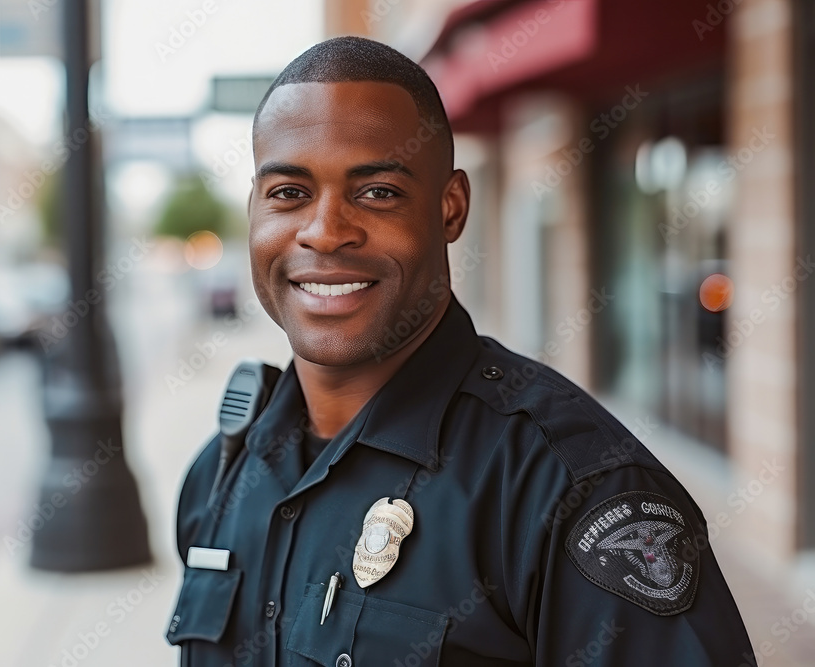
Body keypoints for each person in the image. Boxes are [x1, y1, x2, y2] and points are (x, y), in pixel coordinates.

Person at [166, 36, 754, 666]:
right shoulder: (223, 473)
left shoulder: (569, 491)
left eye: (378, 192)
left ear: (450, 209)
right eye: (289, 193)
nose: (325, 231)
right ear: (254, 209)